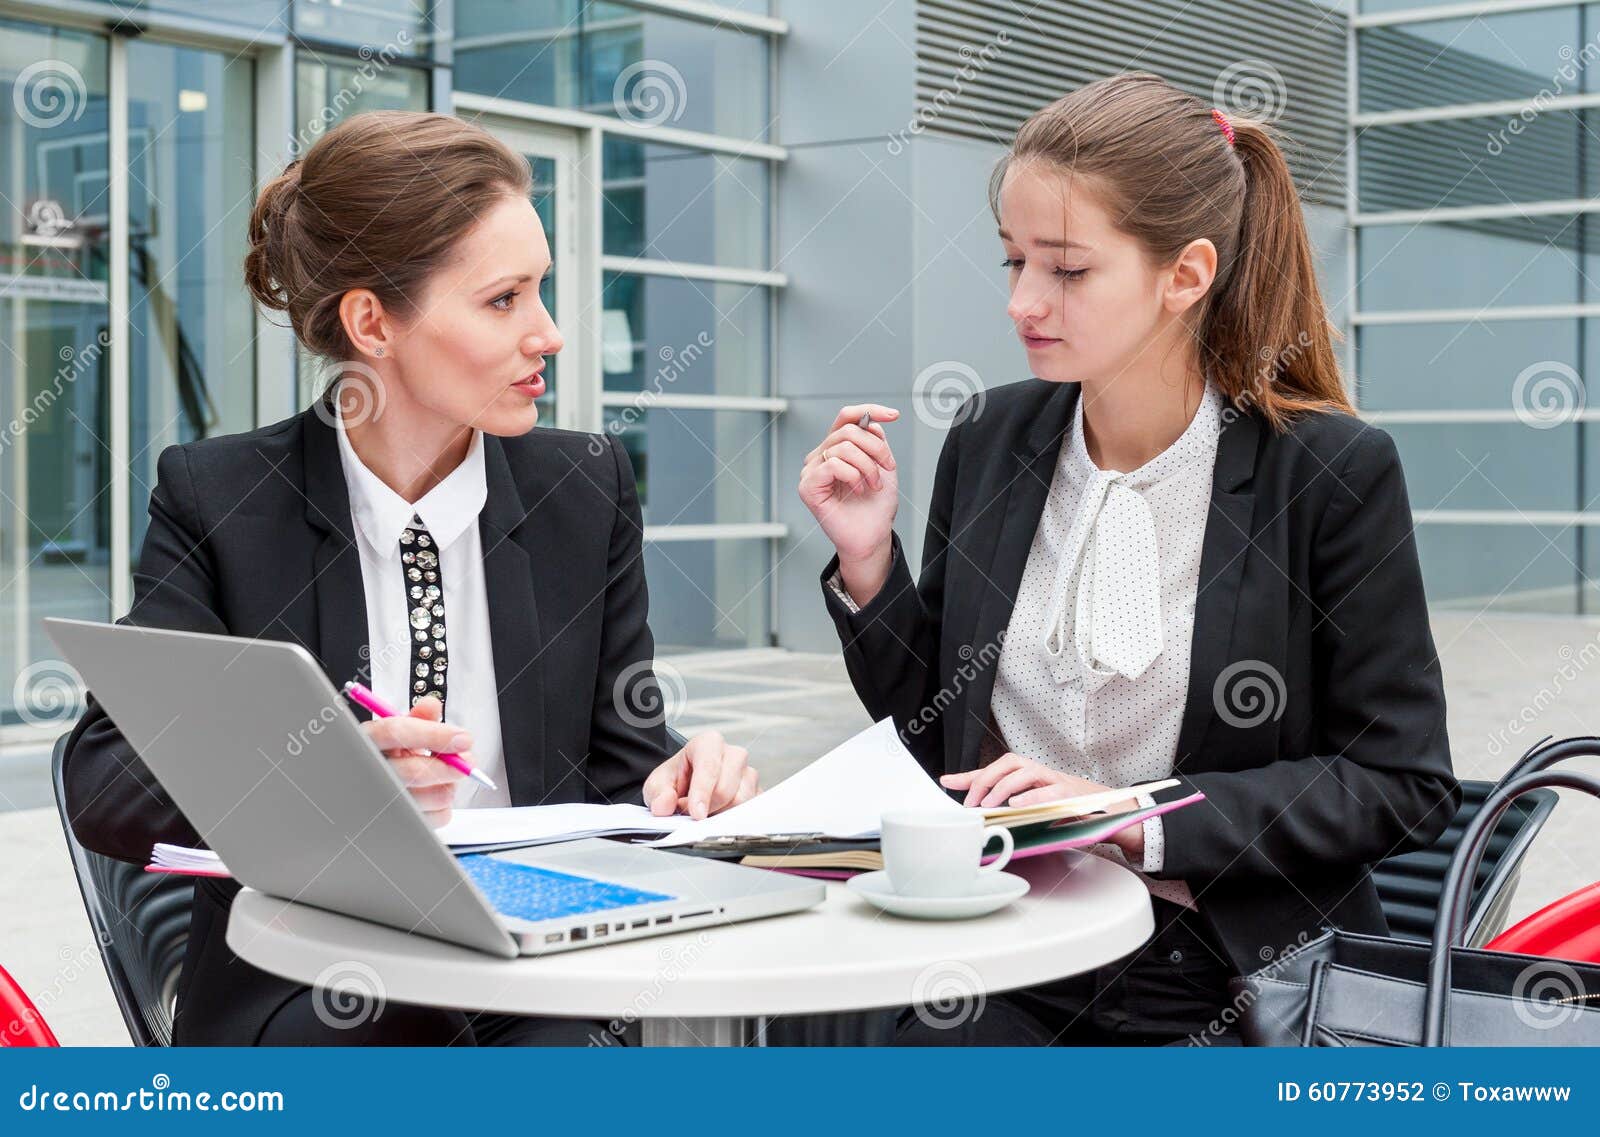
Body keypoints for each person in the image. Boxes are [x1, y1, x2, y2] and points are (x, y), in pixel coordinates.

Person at [62, 111, 759, 1046]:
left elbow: (622, 767)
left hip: (533, 974)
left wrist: (682, 778)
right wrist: (321, 777)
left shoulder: (583, 488)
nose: (549, 334)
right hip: (314, 977)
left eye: (540, 292)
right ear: (372, 322)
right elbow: (106, 779)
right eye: (504, 299)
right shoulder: (222, 498)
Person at [799, 73, 1461, 1046]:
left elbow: (1402, 785)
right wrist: (868, 567)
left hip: (1209, 972)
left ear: (1184, 275)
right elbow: (934, 733)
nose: (1024, 300)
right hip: (998, 937)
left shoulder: (1324, 473)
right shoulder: (991, 436)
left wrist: (1133, 814)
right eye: (1013, 260)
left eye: (1066, 270)